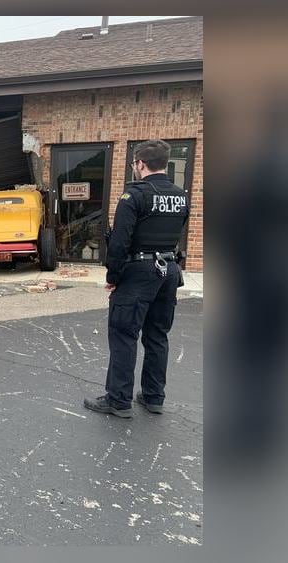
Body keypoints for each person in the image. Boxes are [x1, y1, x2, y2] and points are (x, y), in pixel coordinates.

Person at [84, 140, 189, 418]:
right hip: (168, 270)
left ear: (141, 164)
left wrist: (113, 275)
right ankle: (154, 397)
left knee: (124, 334)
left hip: (139, 272)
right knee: (157, 335)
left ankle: (118, 400)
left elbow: (120, 242)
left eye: (134, 163)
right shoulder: (181, 196)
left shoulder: (133, 196)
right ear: (164, 163)